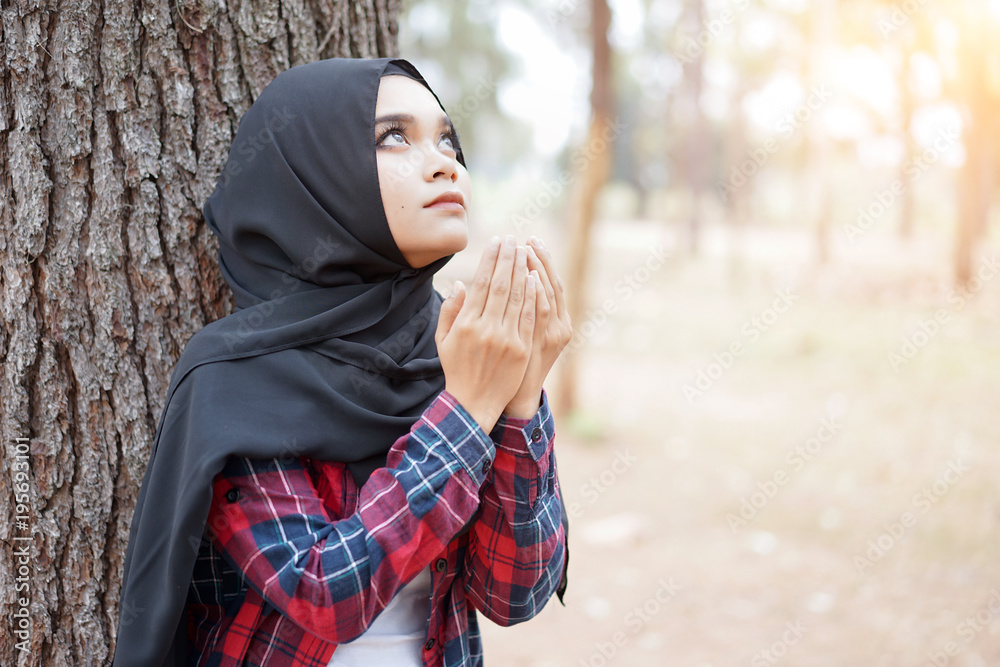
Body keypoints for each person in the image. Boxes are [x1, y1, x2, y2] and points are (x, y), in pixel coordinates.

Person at [112, 57, 570, 667]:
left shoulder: (452, 348)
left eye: (447, 140)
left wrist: (521, 398)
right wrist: (466, 412)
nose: (444, 163)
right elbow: (327, 593)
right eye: (393, 136)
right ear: (313, 177)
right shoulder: (235, 379)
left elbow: (515, 594)